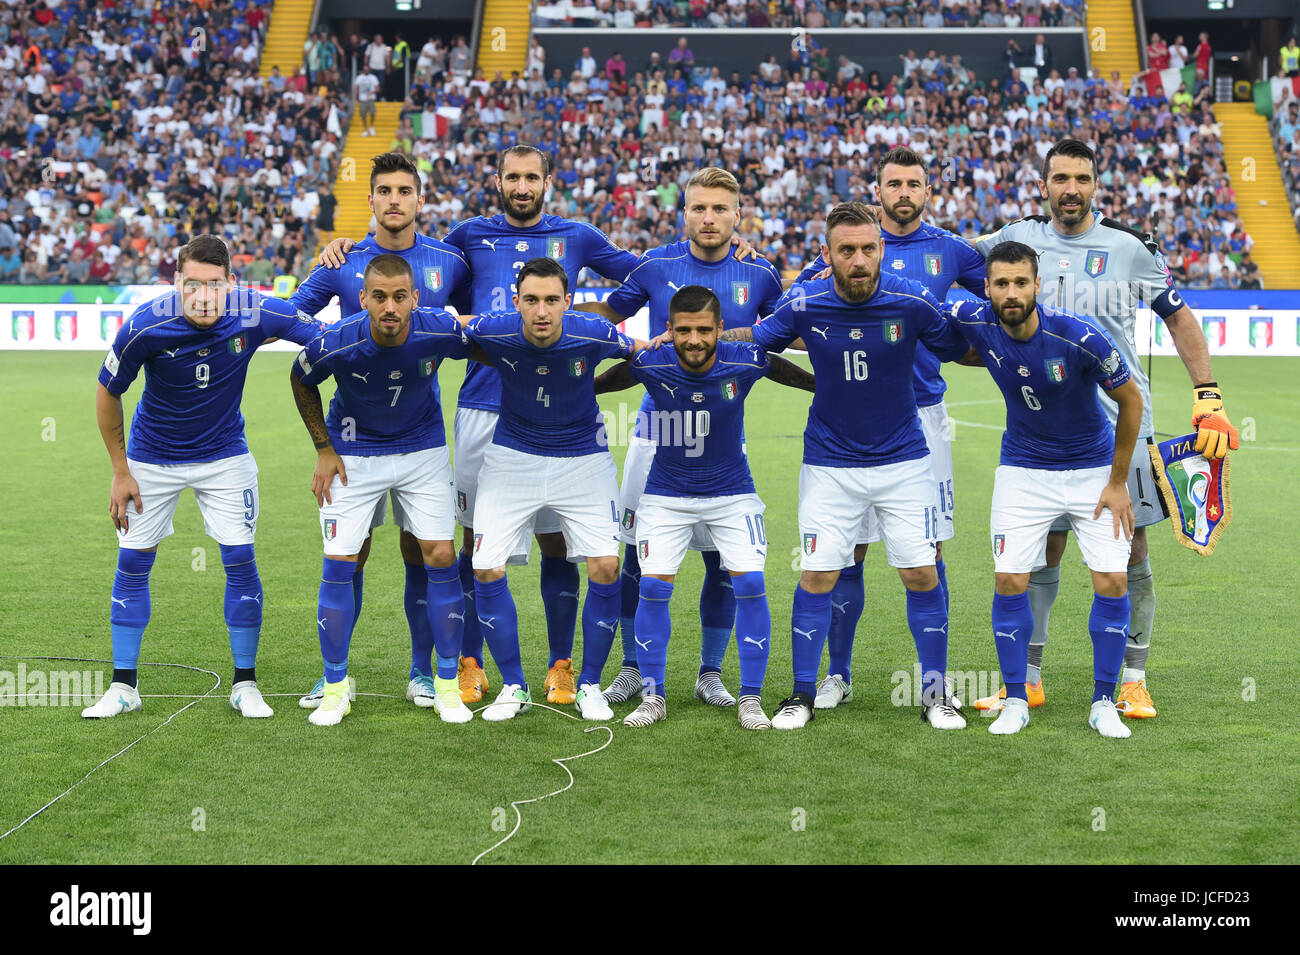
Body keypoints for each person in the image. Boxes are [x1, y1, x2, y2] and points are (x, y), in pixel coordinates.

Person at [317, 145, 640, 708]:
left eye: (531, 177)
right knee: (469, 544)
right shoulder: (466, 239)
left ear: (547, 182)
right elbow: (449, 310)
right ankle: (467, 662)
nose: (521, 186)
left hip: (557, 419)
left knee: (558, 543)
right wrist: (345, 247)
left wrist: (589, 324)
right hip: (480, 411)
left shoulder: (580, 236)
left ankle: (562, 667)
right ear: (497, 181)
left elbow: (649, 277)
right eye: (512, 177)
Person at [972, 139, 1238, 718]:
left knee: (1132, 551)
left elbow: (1179, 316)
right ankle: (1031, 678)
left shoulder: (1128, 247)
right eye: (1060, 178)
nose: (1071, 189)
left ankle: (1134, 679)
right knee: (1043, 550)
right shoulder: (1015, 240)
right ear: (1043, 184)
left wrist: (1207, 394)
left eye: (1082, 179)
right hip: (1043, 430)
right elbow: (944, 257)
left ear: (1097, 184)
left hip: (1122, 427)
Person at [725, 202, 973, 731]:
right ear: (826, 255)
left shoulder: (912, 299)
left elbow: (961, 345)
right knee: (818, 575)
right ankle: (802, 694)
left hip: (905, 461)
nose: (858, 260)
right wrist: (688, 337)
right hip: (829, 466)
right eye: (846, 250)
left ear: (881, 249)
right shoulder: (806, 304)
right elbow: (757, 346)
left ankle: (936, 693)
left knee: (921, 571)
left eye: (867, 248)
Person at [83, 235, 324, 719]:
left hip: (225, 458)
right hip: (151, 459)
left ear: (232, 284)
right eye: (192, 284)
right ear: (177, 283)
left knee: (240, 560)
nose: (203, 296)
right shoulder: (145, 325)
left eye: (214, 285)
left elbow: (322, 337)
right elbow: (108, 391)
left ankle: (245, 684)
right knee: (132, 564)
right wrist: (120, 470)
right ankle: (123, 687)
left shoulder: (254, 312)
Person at [583, 166, 785, 709]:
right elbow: (611, 315)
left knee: (723, 560)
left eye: (721, 208)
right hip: (656, 432)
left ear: (738, 214)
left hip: (725, 436)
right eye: (699, 207)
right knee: (634, 556)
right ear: (684, 212)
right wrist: (558, 313)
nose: (710, 218)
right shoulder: (656, 265)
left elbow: (782, 333)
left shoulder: (759, 273)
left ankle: (711, 672)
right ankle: (632, 666)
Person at [793, 147, 987, 710]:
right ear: (876, 192)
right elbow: (797, 303)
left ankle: (935, 685)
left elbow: (989, 310)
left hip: (923, 419)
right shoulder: (844, 249)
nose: (904, 192)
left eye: (914, 183)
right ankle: (838, 674)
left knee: (928, 553)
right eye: (893, 183)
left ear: (929, 191)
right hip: (850, 421)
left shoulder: (953, 251)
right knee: (845, 552)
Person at [291, 153, 472, 710]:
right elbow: (294, 316)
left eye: (405, 191)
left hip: (421, 436)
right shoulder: (344, 258)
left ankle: (425, 673)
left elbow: (480, 322)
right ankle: (334, 677)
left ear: (420, 199)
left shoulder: (450, 260)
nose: (395, 200)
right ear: (369, 200)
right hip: (353, 439)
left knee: (426, 552)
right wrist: (343, 338)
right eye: (384, 192)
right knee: (354, 553)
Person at [946, 241, 1144, 738]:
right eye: (1000, 283)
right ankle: (1017, 699)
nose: (1010, 293)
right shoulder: (976, 319)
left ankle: (1104, 702)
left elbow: (1130, 399)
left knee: (1112, 583)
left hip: (1093, 472)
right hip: (1023, 472)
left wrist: (1118, 481)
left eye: (1020, 282)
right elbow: (915, 299)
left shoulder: (1080, 337)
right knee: (1010, 581)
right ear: (986, 287)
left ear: (1039, 285)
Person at [596, 285, 814, 729]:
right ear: (668, 331)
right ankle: (652, 695)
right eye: (683, 331)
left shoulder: (745, 360)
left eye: (702, 331)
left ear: (719, 330)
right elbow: (608, 379)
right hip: (665, 495)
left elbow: (779, 367)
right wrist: (576, 392)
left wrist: (824, 387)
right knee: (653, 587)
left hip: (733, 494)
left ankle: (749, 699)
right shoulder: (649, 362)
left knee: (749, 582)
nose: (693, 340)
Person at [462, 258, 648, 722]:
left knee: (606, 565)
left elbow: (643, 355)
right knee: (484, 567)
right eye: (531, 301)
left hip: (584, 460)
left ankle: (587, 685)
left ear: (567, 301)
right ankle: (514, 686)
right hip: (511, 460)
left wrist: (598, 384)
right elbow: (438, 333)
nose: (541, 311)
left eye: (551, 300)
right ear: (515, 302)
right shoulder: (494, 329)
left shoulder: (593, 333)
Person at [354, 68, 380, 137]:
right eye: (364, 69)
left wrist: (371, 92)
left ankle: (371, 126)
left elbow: (378, 89)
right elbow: (356, 88)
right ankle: (365, 129)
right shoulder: (359, 78)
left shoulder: (373, 77)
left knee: (372, 112)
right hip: (362, 99)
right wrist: (356, 99)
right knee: (363, 115)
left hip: (371, 99)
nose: (365, 70)